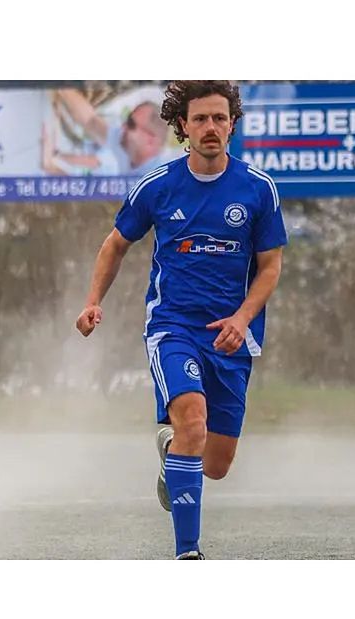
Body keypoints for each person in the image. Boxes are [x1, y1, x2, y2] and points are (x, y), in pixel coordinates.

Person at [75, 81, 287, 558]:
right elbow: (115, 245)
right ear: (182, 127)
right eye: (200, 120)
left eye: (218, 118)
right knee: (192, 421)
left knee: (216, 464)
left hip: (232, 338)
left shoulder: (258, 189)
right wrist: (92, 301)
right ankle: (188, 554)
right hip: (172, 328)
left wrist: (242, 317)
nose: (210, 128)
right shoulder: (157, 186)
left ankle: (175, 458)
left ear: (232, 123)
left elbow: (271, 267)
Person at [44, 89, 174, 176]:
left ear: (150, 141)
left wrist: (51, 166)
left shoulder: (158, 183)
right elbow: (91, 121)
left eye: (131, 124)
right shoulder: (124, 141)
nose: (123, 126)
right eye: (128, 118)